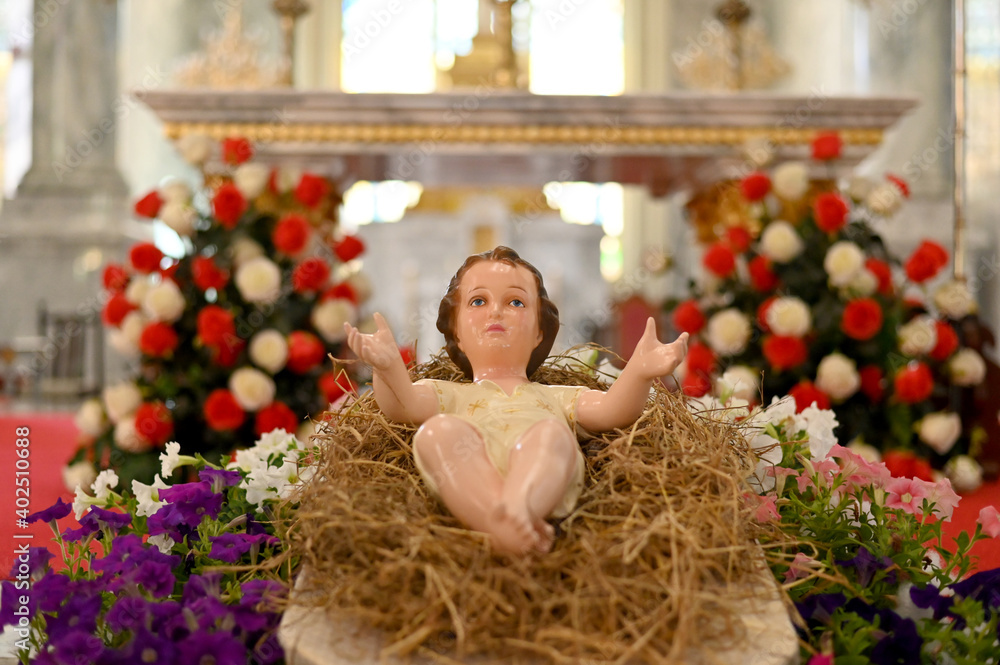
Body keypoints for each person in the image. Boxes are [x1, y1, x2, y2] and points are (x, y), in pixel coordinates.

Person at [344, 247, 688, 555]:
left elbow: (614, 410)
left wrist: (639, 372)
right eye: (479, 301)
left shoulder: (554, 397)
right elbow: (401, 407)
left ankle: (515, 511)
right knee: (436, 432)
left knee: (552, 435)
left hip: (539, 475)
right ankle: (500, 522)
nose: (497, 312)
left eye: (516, 302)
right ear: (457, 331)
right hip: (473, 475)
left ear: (539, 330)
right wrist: (387, 367)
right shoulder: (449, 393)